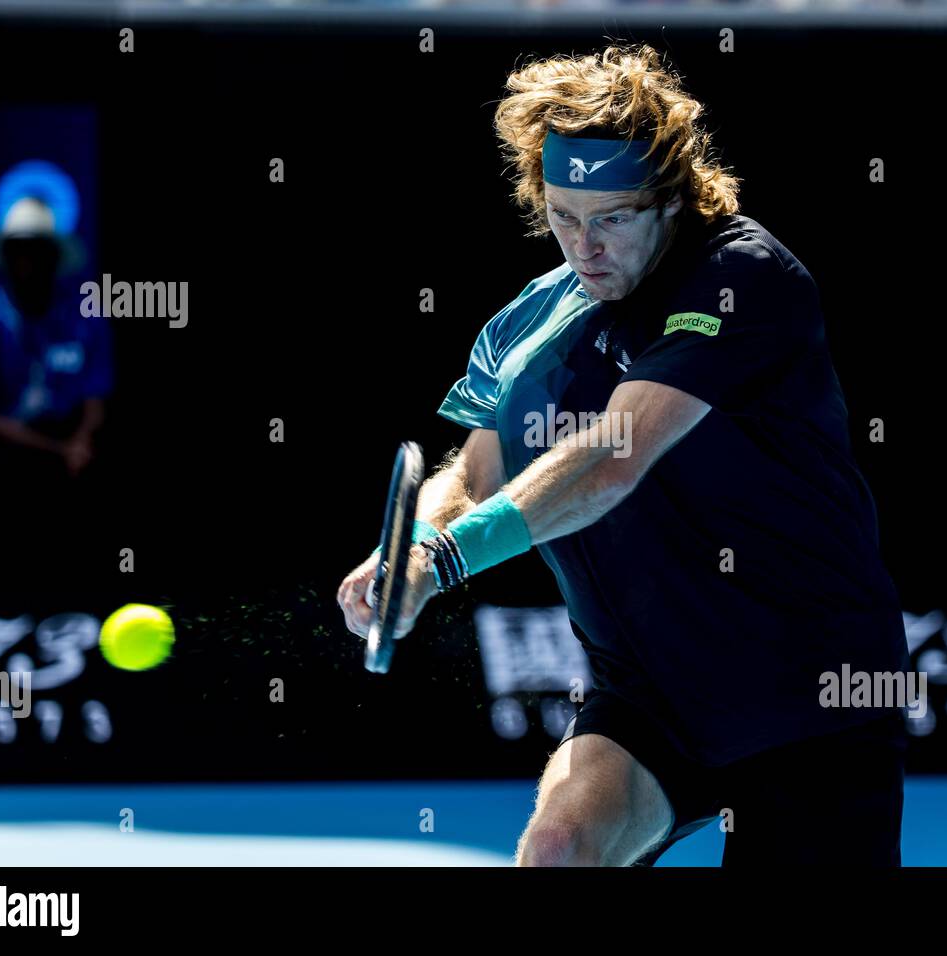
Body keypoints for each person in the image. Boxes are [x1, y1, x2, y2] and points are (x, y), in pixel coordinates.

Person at [338, 43, 910, 867]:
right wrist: (408, 551)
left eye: (612, 218)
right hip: (648, 694)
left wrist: (448, 559)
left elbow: (615, 453)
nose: (585, 246)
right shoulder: (531, 318)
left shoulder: (742, 277)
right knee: (562, 846)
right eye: (564, 216)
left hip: (811, 689)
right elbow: (472, 473)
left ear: (673, 198)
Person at [0, 197, 111, 484]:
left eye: (37, 251)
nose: (27, 262)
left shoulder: (87, 316)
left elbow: (97, 397)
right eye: (18, 250)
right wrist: (56, 451)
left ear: (55, 256)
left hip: (74, 458)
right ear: (4, 255)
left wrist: (81, 442)